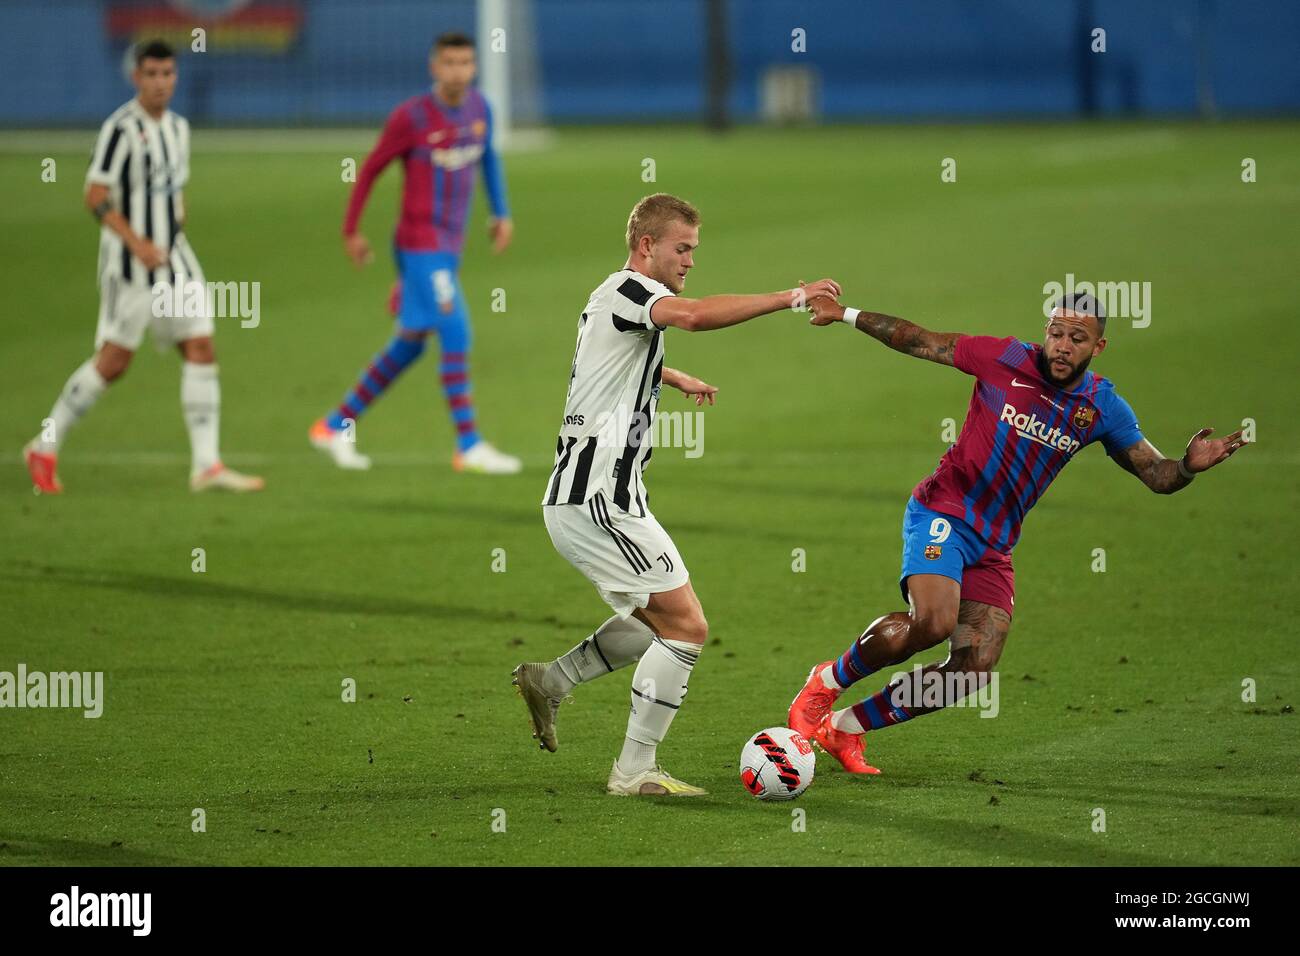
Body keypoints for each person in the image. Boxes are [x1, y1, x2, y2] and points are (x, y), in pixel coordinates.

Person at [787, 291, 1246, 774]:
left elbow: (1157, 475)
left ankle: (844, 728)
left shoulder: (1101, 406)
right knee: (935, 623)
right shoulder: (1003, 358)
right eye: (1056, 333)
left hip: (994, 543)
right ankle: (826, 682)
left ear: (1098, 347)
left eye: (1077, 338)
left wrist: (1188, 467)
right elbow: (920, 341)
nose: (1062, 346)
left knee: (972, 670)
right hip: (943, 510)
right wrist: (847, 314)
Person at [513, 192, 841, 796]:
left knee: (656, 619)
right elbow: (691, 315)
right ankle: (633, 771)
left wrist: (666, 374)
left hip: (609, 499)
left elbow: (604, 360)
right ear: (647, 246)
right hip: (596, 501)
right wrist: (791, 297)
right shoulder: (633, 291)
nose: (690, 261)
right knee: (686, 626)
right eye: (681, 248)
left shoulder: (612, 299)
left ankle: (551, 682)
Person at [24, 39, 264, 494]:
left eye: (167, 74)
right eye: (151, 74)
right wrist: (136, 242)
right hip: (129, 266)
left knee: (200, 347)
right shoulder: (120, 129)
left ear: (175, 77)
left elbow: (175, 190)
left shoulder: (178, 128)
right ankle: (44, 444)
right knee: (113, 363)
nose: (160, 83)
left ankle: (207, 465)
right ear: (136, 78)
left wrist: (175, 224)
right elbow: (95, 196)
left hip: (175, 259)